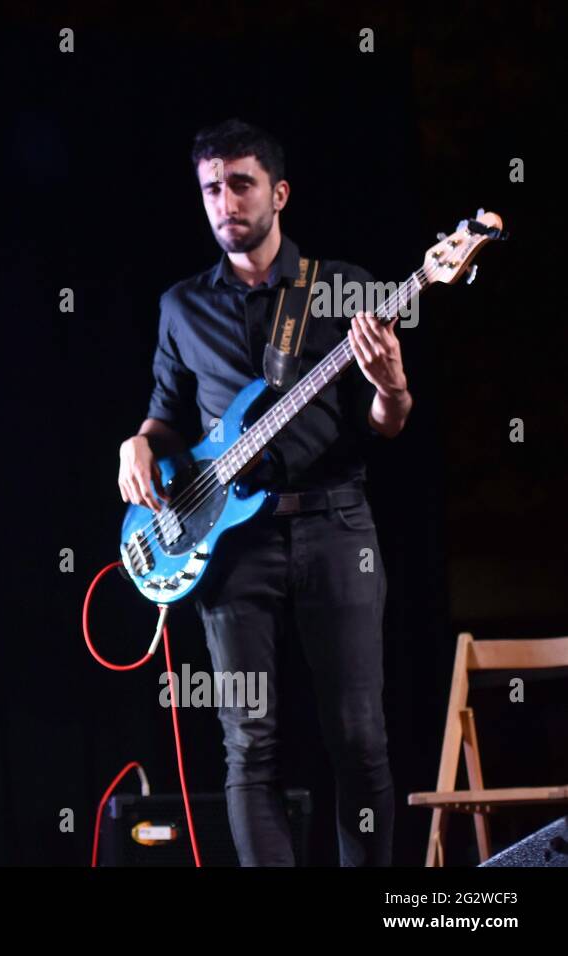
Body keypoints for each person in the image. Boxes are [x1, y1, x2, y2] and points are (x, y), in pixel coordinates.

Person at [116, 118, 413, 866]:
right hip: (230, 542)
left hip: (336, 526)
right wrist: (138, 444)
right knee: (249, 744)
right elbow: (164, 415)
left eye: (240, 184)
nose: (225, 202)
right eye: (211, 188)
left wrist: (392, 389)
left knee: (359, 738)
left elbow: (388, 424)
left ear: (278, 192)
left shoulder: (343, 289)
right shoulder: (182, 306)